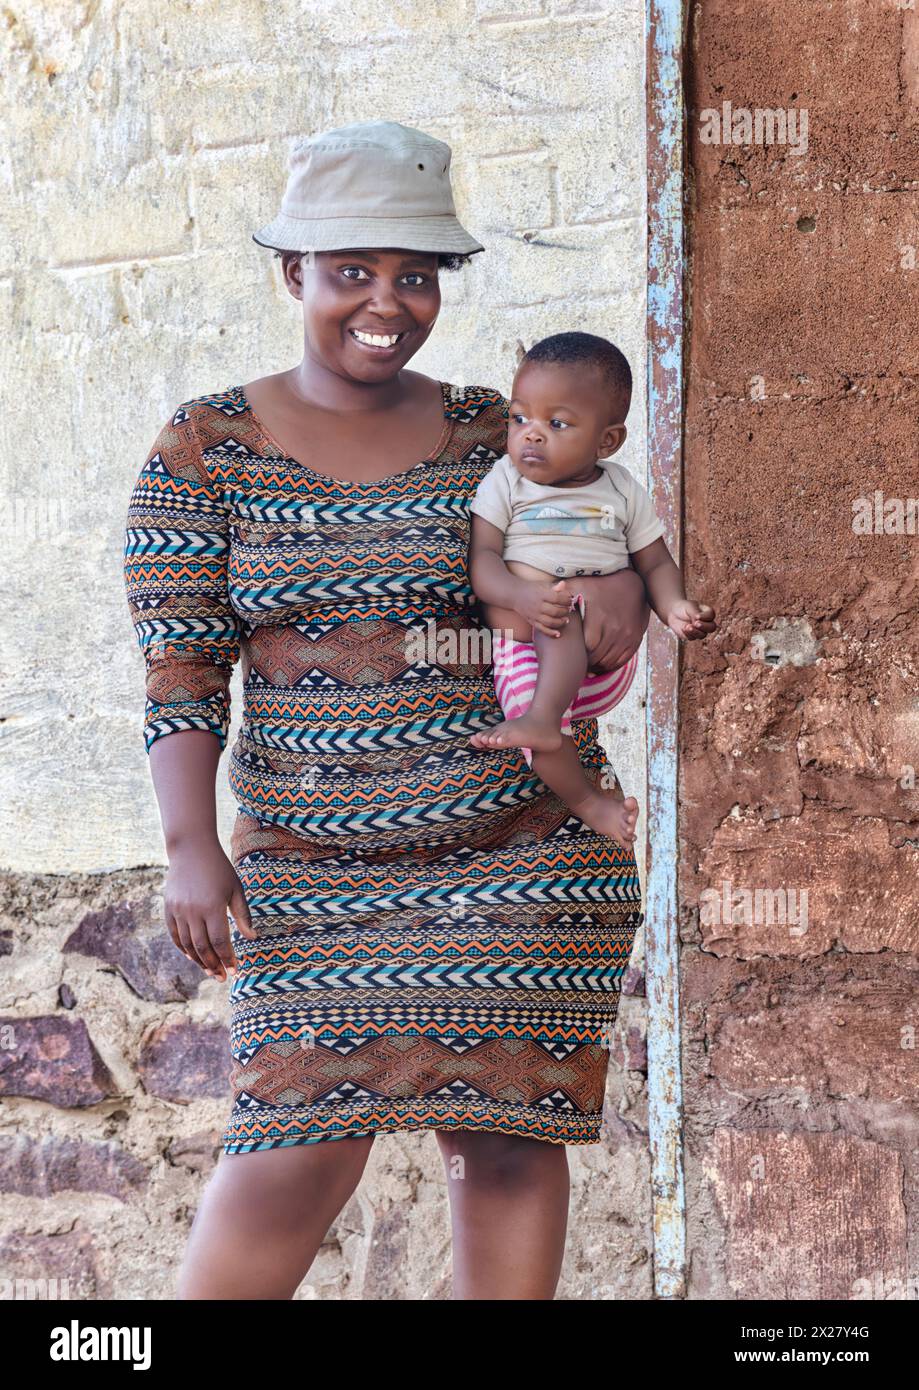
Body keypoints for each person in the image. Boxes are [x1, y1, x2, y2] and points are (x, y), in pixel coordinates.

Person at [122, 120, 663, 1301]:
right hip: (310, 876)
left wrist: (616, 578)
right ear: (292, 275)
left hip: (523, 856)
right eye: (350, 272)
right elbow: (180, 664)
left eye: (413, 275)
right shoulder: (205, 448)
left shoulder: (498, 430)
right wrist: (189, 848)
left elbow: (607, 541)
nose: (386, 302)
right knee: (288, 1158)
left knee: (510, 1149)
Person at [468, 331, 717, 847]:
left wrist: (674, 609)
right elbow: (484, 561)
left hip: (604, 661)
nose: (530, 436)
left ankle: (542, 718)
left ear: (607, 441)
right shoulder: (505, 481)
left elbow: (655, 563)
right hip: (529, 656)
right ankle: (591, 803)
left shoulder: (622, 489)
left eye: (556, 424)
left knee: (567, 606)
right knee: (542, 728)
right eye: (519, 419)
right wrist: (520, 597)